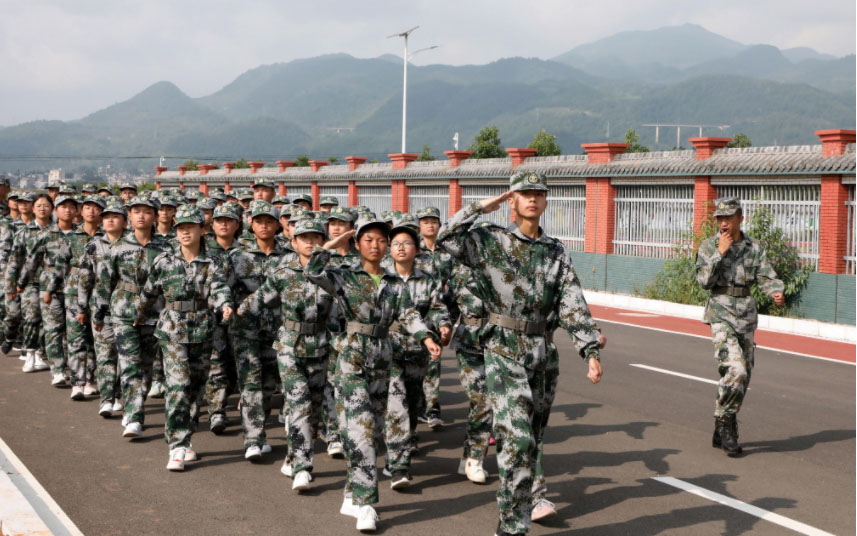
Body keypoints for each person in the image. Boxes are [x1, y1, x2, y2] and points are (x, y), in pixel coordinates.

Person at [437, 171, 605, 536]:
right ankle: (513, 525)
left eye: (538, 194)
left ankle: (517, 511)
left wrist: (588, 348)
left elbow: (571, 300)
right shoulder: (489, 240)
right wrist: (486, 205)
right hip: (503, 349)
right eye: (524, 193)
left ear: (545, 202)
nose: (532, 199)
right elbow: (445, 237)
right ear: (512, 200)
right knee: (516, 437)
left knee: (531, 442)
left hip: (543, 354)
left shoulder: (555, 250)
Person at [306, 217, 442, 532]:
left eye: (381, 240)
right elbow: (312, 271)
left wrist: (426, 337)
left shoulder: (393, 282)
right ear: (357, 244)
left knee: (373, 431)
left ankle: (352, 493)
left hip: (382, 358)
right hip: (350, 359)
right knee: (362, 431)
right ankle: (367, 502)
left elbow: (408, 313)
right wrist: (331, 245)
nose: (376, 245)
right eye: (368, 239)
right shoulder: (343, 276)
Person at [238, 217, 334, 491]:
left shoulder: (334, 273)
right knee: (300, 403)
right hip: (290, 347)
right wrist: (235, 311)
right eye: (305, 238)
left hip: (321, 345)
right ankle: (303, 466)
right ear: (293, 242)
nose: (311, 243)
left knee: (312, 409)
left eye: (317, 238)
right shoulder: (283, 273)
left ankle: (294, 456)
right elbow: (257, 300)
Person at [138, 204, 233, 471]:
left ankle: (185, 436)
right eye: (181, 228)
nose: (185, 233)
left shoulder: (212, 263)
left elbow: (219, 288)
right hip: (171, 331)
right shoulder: (164, 261)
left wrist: (225, 304)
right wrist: (139, 315)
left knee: (195, 387)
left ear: (203, 231)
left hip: (202, 329)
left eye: (190, 227)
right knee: (178, 386)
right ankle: (177, 445)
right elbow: (148, 292)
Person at [695, 197, 784, 456]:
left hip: (745, 315)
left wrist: (775, 291)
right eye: (719, 219)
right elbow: (703, 281)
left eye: (728, 218)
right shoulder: (709, 246)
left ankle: (722, 419)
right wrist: (719, 253)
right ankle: (727, 424)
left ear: (740, 219)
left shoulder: (753, 247)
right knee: (736, 370)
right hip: (720, 314)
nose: (723, 223)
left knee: (745, 378)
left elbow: (767, 275)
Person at [93, 196, 171, 438]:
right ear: (129, 216)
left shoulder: (167, 248)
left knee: (147, 366)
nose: (141, 216)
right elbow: (104, 284)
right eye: (136, 211)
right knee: (129, 364)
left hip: (154, 314)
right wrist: (99, 313)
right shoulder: (117, 248)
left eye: (147, 212)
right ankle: (134, 415)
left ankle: (134, 403)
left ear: (155, 216)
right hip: (123, 313)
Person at [382, 219, 450, 489]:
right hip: (388, 349)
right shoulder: (382, 276)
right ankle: (398, 466)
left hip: (418, 350)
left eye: (406, 243)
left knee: (412, 403)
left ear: (416, 248)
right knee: (396, 404)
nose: (400, 248)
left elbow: (437, 307)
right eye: (396, 244)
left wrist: (443, 325)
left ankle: (404, 444)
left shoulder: (427, 279)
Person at [228, 201, 287, 460]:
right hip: (246, 327)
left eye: (269, 221)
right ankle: (252, 439)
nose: (264, 225)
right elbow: (223, 287)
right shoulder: (238, 255)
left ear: (277, 225)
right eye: (259, 221)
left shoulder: (288, 256)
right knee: (250, 381)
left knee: (269, 383)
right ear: (251, 224)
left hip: (278, 328)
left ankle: (260, 431)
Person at [22, 194, 79, 391]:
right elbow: (32, 262)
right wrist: (21, 284)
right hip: (50, 289)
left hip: (74, 290)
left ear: (76, 211)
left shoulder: (81, 236)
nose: (68, 210)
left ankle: (77, 371)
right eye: (63, 207)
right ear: (57, 210)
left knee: (73, 333)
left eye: (72, 207)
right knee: (53, 330)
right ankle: (58, 370)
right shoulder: (45, 234)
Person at [78, 199, 127, 417]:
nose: (109, 220)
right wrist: (81, 307)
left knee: (124, 357)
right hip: (100, 308)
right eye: (106, 217)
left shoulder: (132, 245)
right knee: (105, 355)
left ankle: (118, 394)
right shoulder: (93, 245)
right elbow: (84, 278)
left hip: (127, 308)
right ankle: (107, 399)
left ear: (125, 221)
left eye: (115, 216)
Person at [204, 203, 243, 433]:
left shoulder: (246, 250)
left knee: (239, 364)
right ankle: (216, 411)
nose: (224, 224)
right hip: (213, 317)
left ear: (237, 224)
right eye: (219, 220)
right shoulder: (205, 251)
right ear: (213, 224)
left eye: (229, 220)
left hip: (242, 317)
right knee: (215, 364)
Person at [9, 194, 54, 377]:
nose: (42, 208)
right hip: (29, 283)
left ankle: (40, 354)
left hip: (52, 284)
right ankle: (30, 353)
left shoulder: (57, 232)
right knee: (31, 316)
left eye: (46, 205)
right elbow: (15, 262)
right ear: (33, 209)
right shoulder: (24, 233)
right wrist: (11, 285)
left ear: (52, 209)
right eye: (39, 205)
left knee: (48, 321)